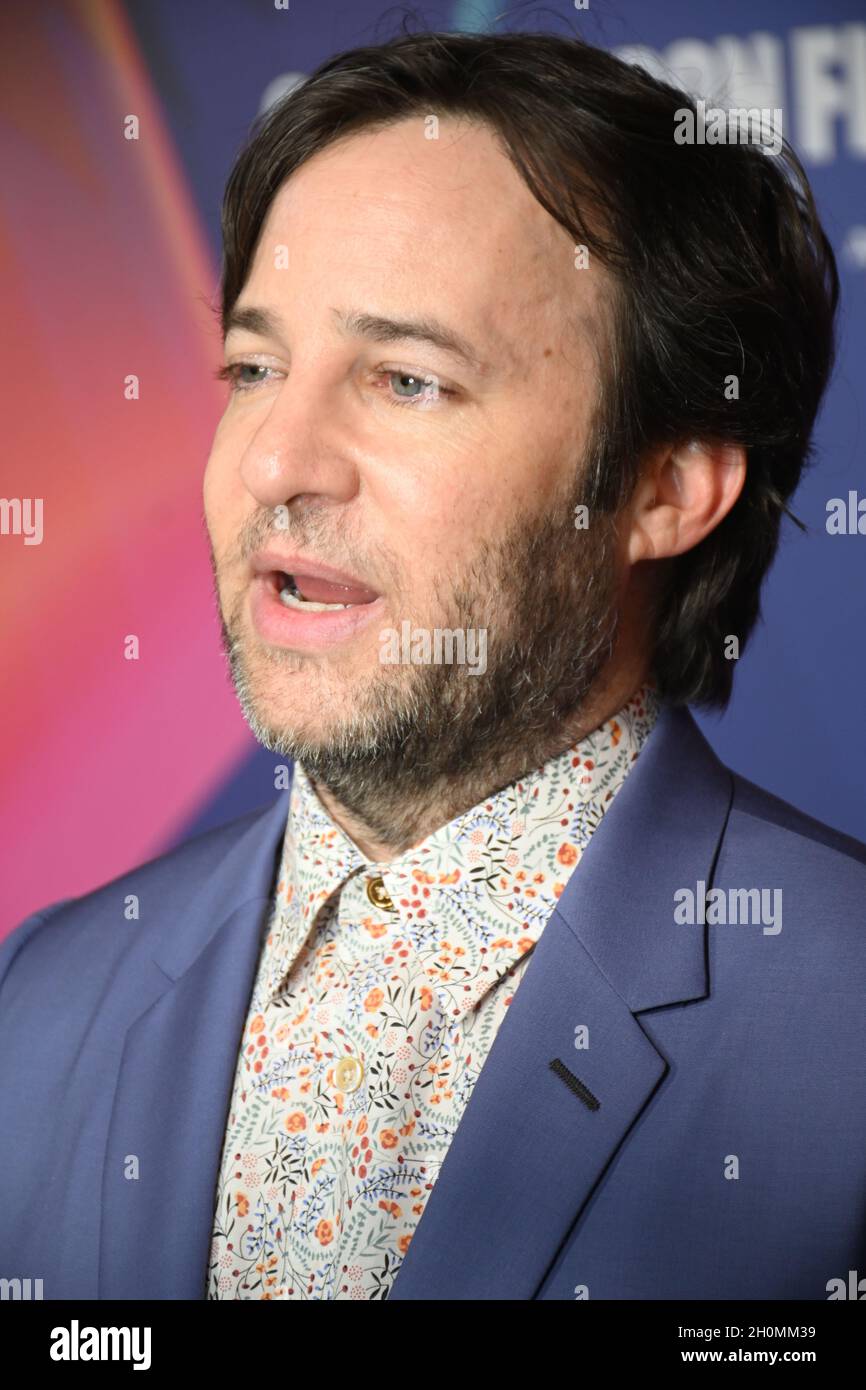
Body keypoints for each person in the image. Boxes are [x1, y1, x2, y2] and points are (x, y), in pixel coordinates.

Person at [2, 28, 864, 1302]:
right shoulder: (41, 998)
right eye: (253, 368)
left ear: (665, 489)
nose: (274, 463)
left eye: (405, 380)